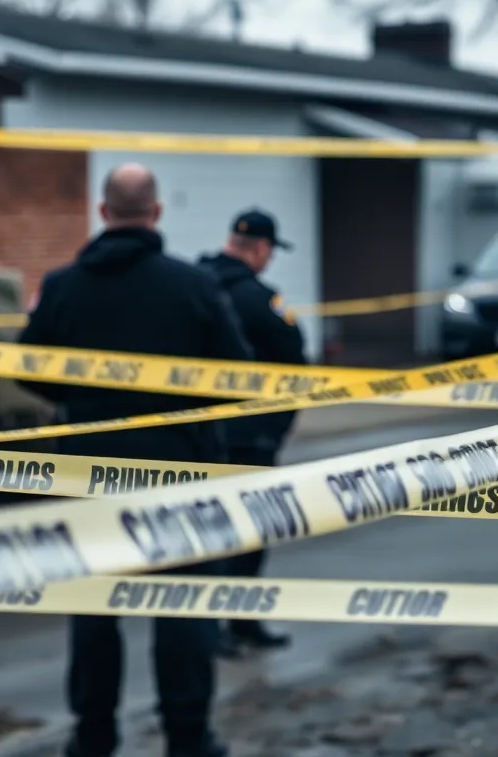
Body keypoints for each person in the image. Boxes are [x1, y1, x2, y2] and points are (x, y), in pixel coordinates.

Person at [16, 163, 253, 757]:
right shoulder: (195, 287)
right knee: (184, 616)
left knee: (94, 616)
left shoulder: (64, 286)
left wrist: (81, 400)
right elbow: (239, 375)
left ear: (102, 214)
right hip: (180, 477)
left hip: (87, 477)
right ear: (156, 215)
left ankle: (92, 737)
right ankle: (187, 738)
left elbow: (29, 369)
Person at [197, 209, 307, 657]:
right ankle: (238, 623)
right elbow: (296, 367)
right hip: (249, 440)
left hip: (199, 437)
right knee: (249, 535)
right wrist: (276, 427)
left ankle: (223, 627)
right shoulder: (262, 301)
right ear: (260, 249)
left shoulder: (194, 284)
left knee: (210, 534)